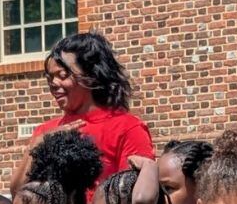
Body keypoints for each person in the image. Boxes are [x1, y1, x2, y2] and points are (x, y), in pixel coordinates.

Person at [8, 32, 152, 192]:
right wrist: (38, 144)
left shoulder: (127, 128)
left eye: (62, 75)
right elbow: (18, 194)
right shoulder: (44, 131)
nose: (54, 83)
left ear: (91, 75)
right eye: (50, 78)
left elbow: (132, 195)